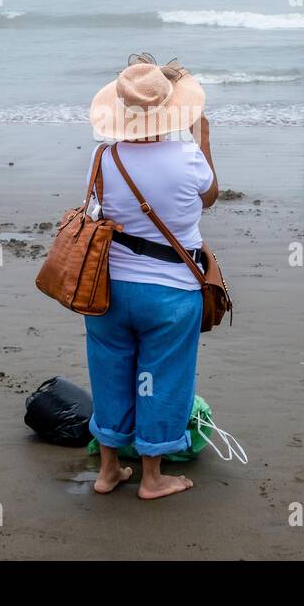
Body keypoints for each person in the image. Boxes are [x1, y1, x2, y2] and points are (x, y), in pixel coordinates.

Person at [84, 53, 218, 499]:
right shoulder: (187, 158)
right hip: (170, 292)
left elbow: (95, 213)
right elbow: (211, 196)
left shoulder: (102, 158)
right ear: (169, 111)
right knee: (161, 376)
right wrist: (204, 140)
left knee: (109, 373)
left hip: (107, 290)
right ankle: (153, 477)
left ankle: (107, 472)